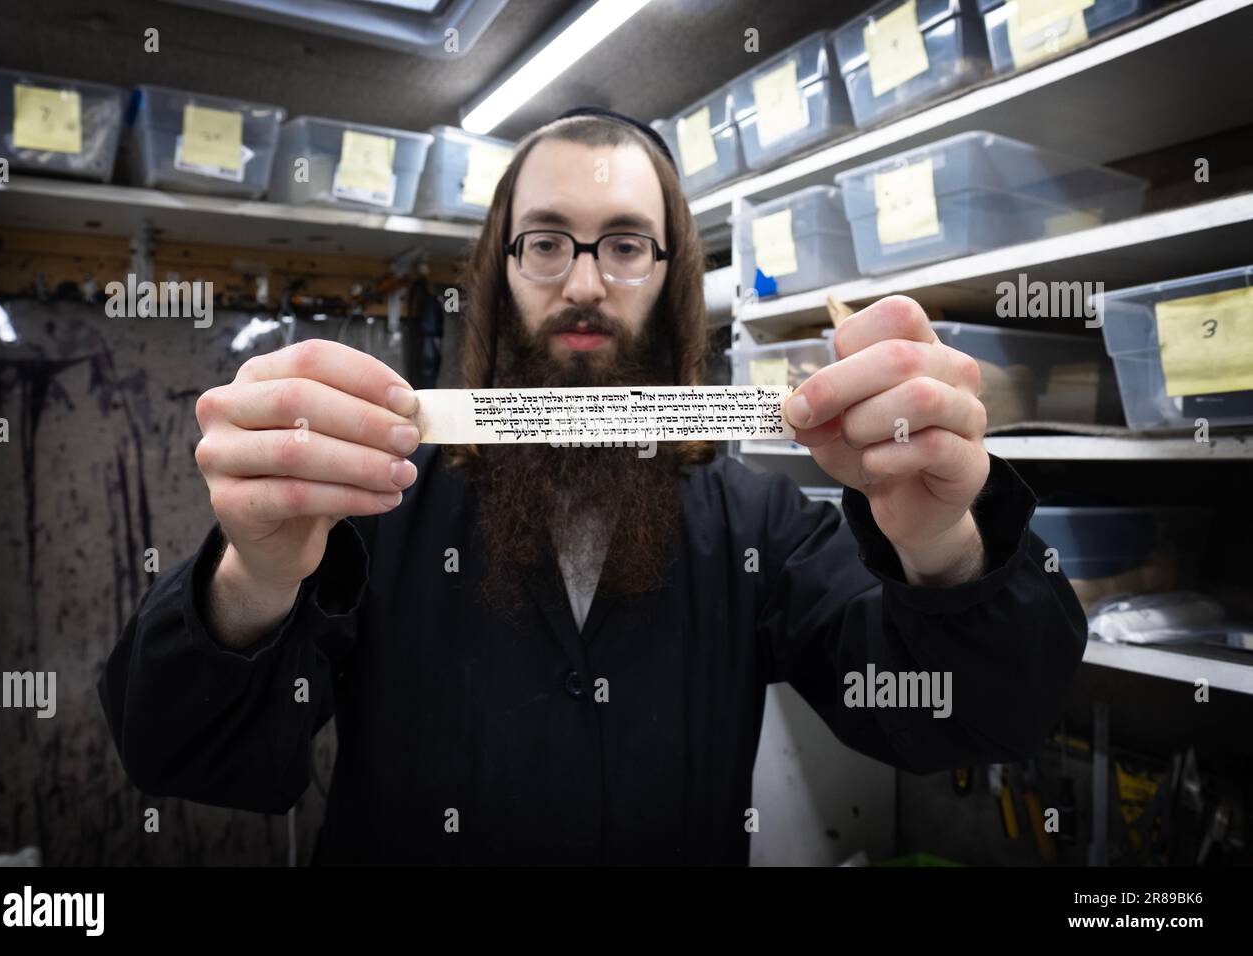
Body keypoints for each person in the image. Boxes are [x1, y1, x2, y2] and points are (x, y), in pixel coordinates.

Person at [99, 109, 1087, 866]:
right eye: (545, 241)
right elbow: (181, 751)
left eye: (622, 244)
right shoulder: (375, 503)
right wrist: (252, 577)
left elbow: (965, 716)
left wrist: (943, 546)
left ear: (671, 276)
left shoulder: (760, 524)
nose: (581, 283)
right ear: (499, 270)